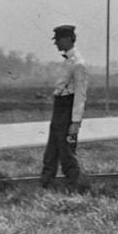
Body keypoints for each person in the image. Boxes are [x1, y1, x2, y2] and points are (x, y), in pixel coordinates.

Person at [40, 24, 88, 189]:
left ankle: (73, 190)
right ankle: (45, 187)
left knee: (67, 153)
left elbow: (80, 95)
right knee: (51, 152)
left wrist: (75, 122)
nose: (56, 44)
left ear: (68, 39)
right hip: (59, 108)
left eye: (58, 40)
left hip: (67, 110)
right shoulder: (68, 61)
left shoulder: (78, 63)